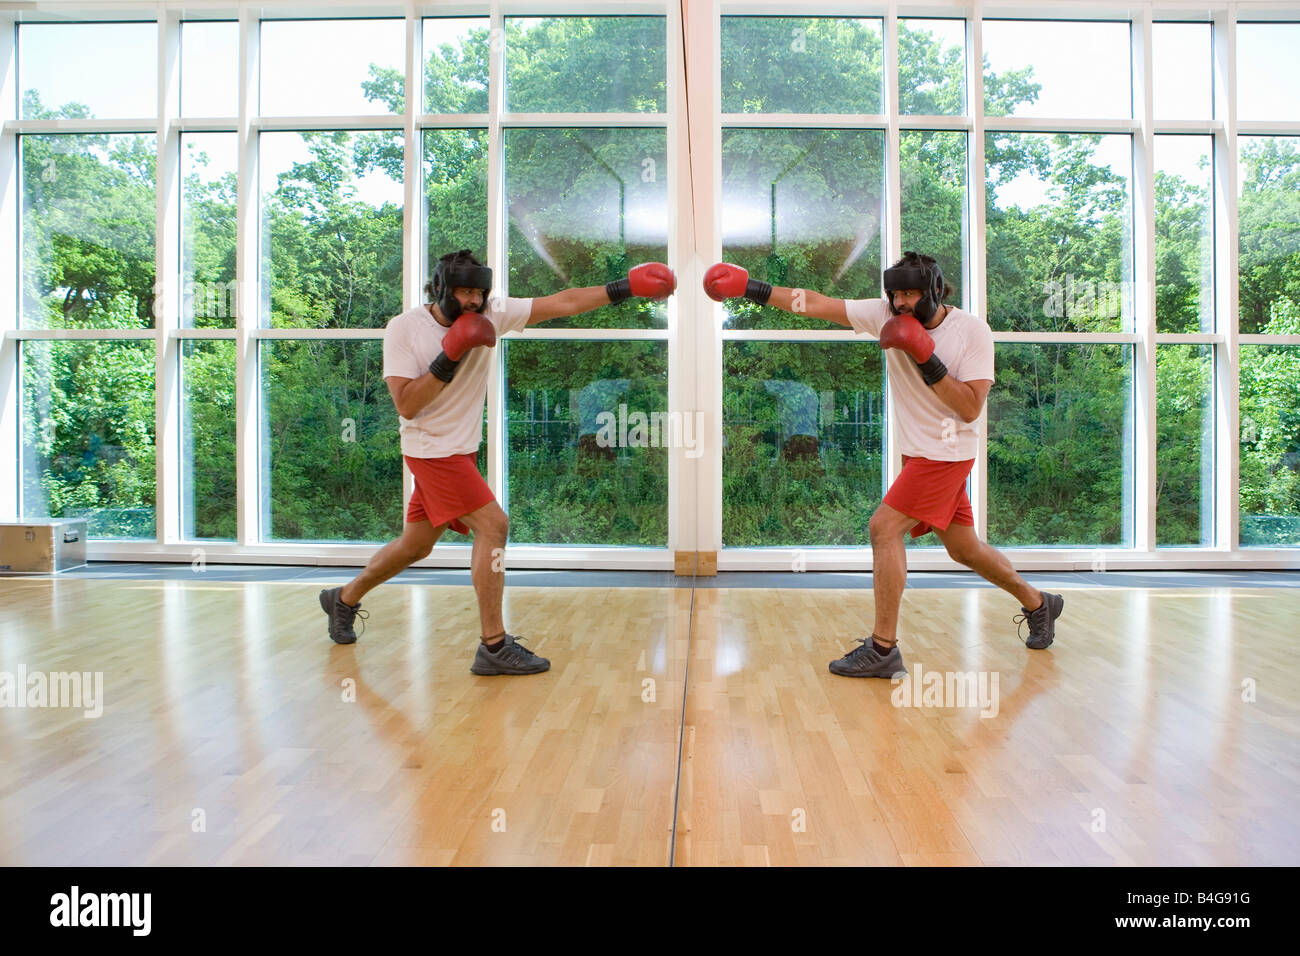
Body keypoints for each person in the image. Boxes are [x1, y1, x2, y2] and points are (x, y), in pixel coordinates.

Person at [702, 252, 1064, 678]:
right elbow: (818, 303)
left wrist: (926, 356)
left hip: (946, 454)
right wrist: (752, 289)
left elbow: (970, 408)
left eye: (910, 293)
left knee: (883, 527)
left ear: (932, 290)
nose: (901, 303)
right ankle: (1040, 603)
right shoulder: (883, 314)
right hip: (919, 454)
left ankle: (883, 648)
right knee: (963, 548)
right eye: (894, 294)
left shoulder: (971, 331)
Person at [321, 249, 677, 675]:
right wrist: (448, 356)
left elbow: (562, 302)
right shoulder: (405, 329)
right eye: (464, 292)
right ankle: (493, 645)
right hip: (431, 450)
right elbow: (407, 405)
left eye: (479, 293)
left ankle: (341, 598)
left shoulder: (493, 313)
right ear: (440, 289)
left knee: (416, 545)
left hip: (460, 450)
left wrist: (626, 288)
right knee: (494, 525)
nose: (473, 302)